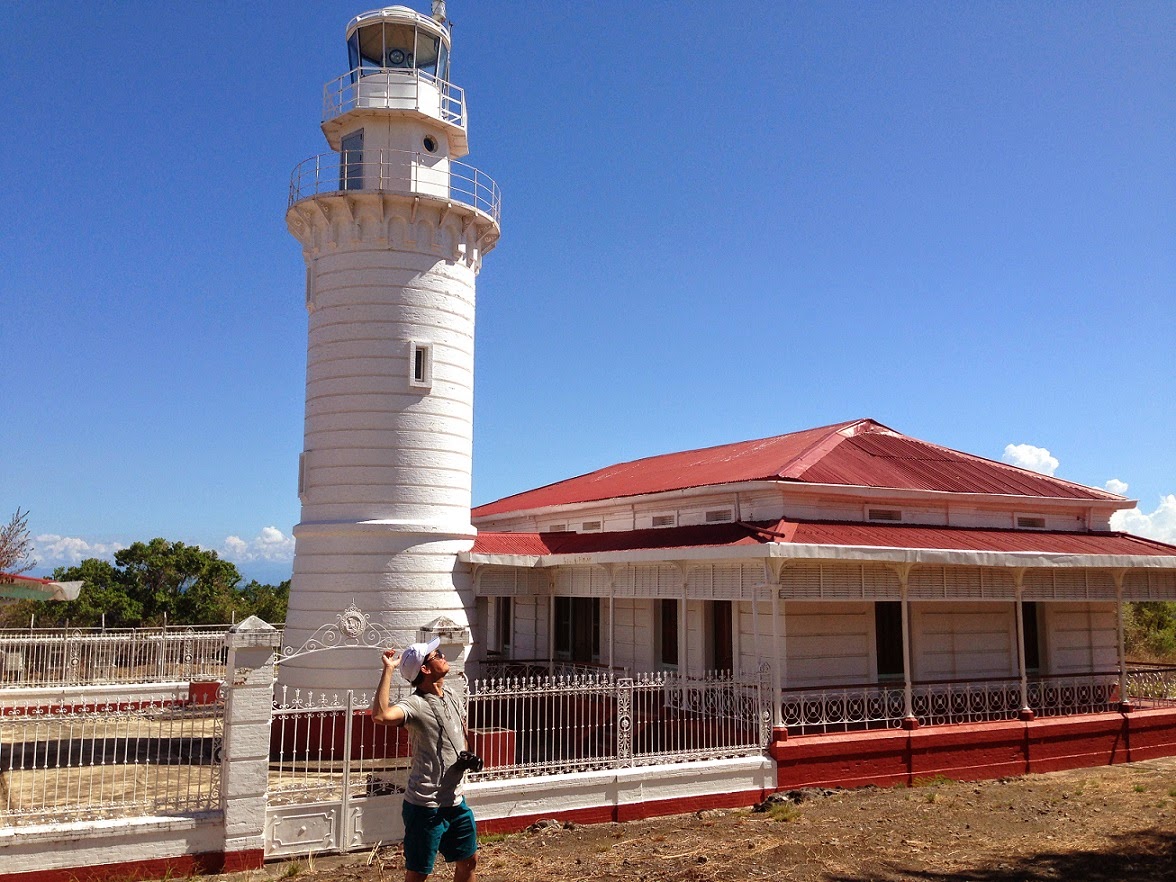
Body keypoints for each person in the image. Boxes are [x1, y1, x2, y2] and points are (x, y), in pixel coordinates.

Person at [372, 637, 478, 882]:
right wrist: (388, 670)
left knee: (469, 861)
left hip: (455, 801)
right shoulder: (415, 704)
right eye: (436, 654)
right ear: (425, 669)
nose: (442, 655)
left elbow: (459, 730)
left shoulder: (450, 693)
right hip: (425, 806)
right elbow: (380, 715)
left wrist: (467, 754)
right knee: (419, 873)